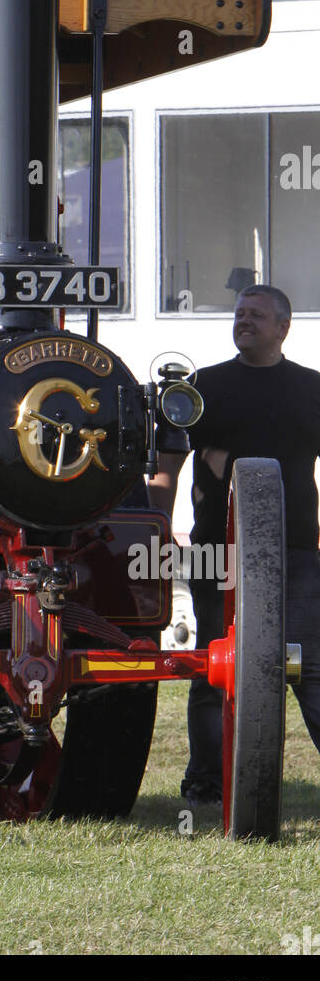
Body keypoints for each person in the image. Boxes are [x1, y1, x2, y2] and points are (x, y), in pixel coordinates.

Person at [148, 284, 320, 807]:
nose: (244, 321)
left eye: (256, 315)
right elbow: (165, 470)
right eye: (239, 314)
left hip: (296, 552)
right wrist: (155, 534)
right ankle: (205, 781)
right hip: (215, 552)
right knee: (213, 666)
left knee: (309, 663)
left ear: (283, 327)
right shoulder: (203, 388)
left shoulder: (311, 388)